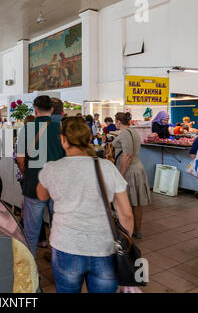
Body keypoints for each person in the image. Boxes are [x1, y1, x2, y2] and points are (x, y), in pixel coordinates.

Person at [36, 116, 134, 293]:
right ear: (89, 138)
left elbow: (41, 196)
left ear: (63, 140)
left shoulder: (52, 168)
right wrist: (125, 248)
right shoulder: (107, 167)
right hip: (103, 247)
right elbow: (126, 214)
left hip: (66, 245)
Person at [16, 96, 65, 257]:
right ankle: (58, 266)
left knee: (31, 232)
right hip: (57, 186)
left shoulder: (27, 128)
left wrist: (26, 175)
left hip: (33, 185)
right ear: (52, 110)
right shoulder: (61, 128)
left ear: (35, 110)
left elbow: (21, 158)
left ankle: (31, 274)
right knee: (58, 229)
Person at [113, 112, 151, 239]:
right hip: (137, 167)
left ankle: (128, 231)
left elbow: (127, 155)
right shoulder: (133, 131)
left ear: (118, 121)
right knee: (137, 202)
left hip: (129, 170)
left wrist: (121, 174)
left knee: (128, 202)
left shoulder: (124, 133)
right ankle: (137, 230)